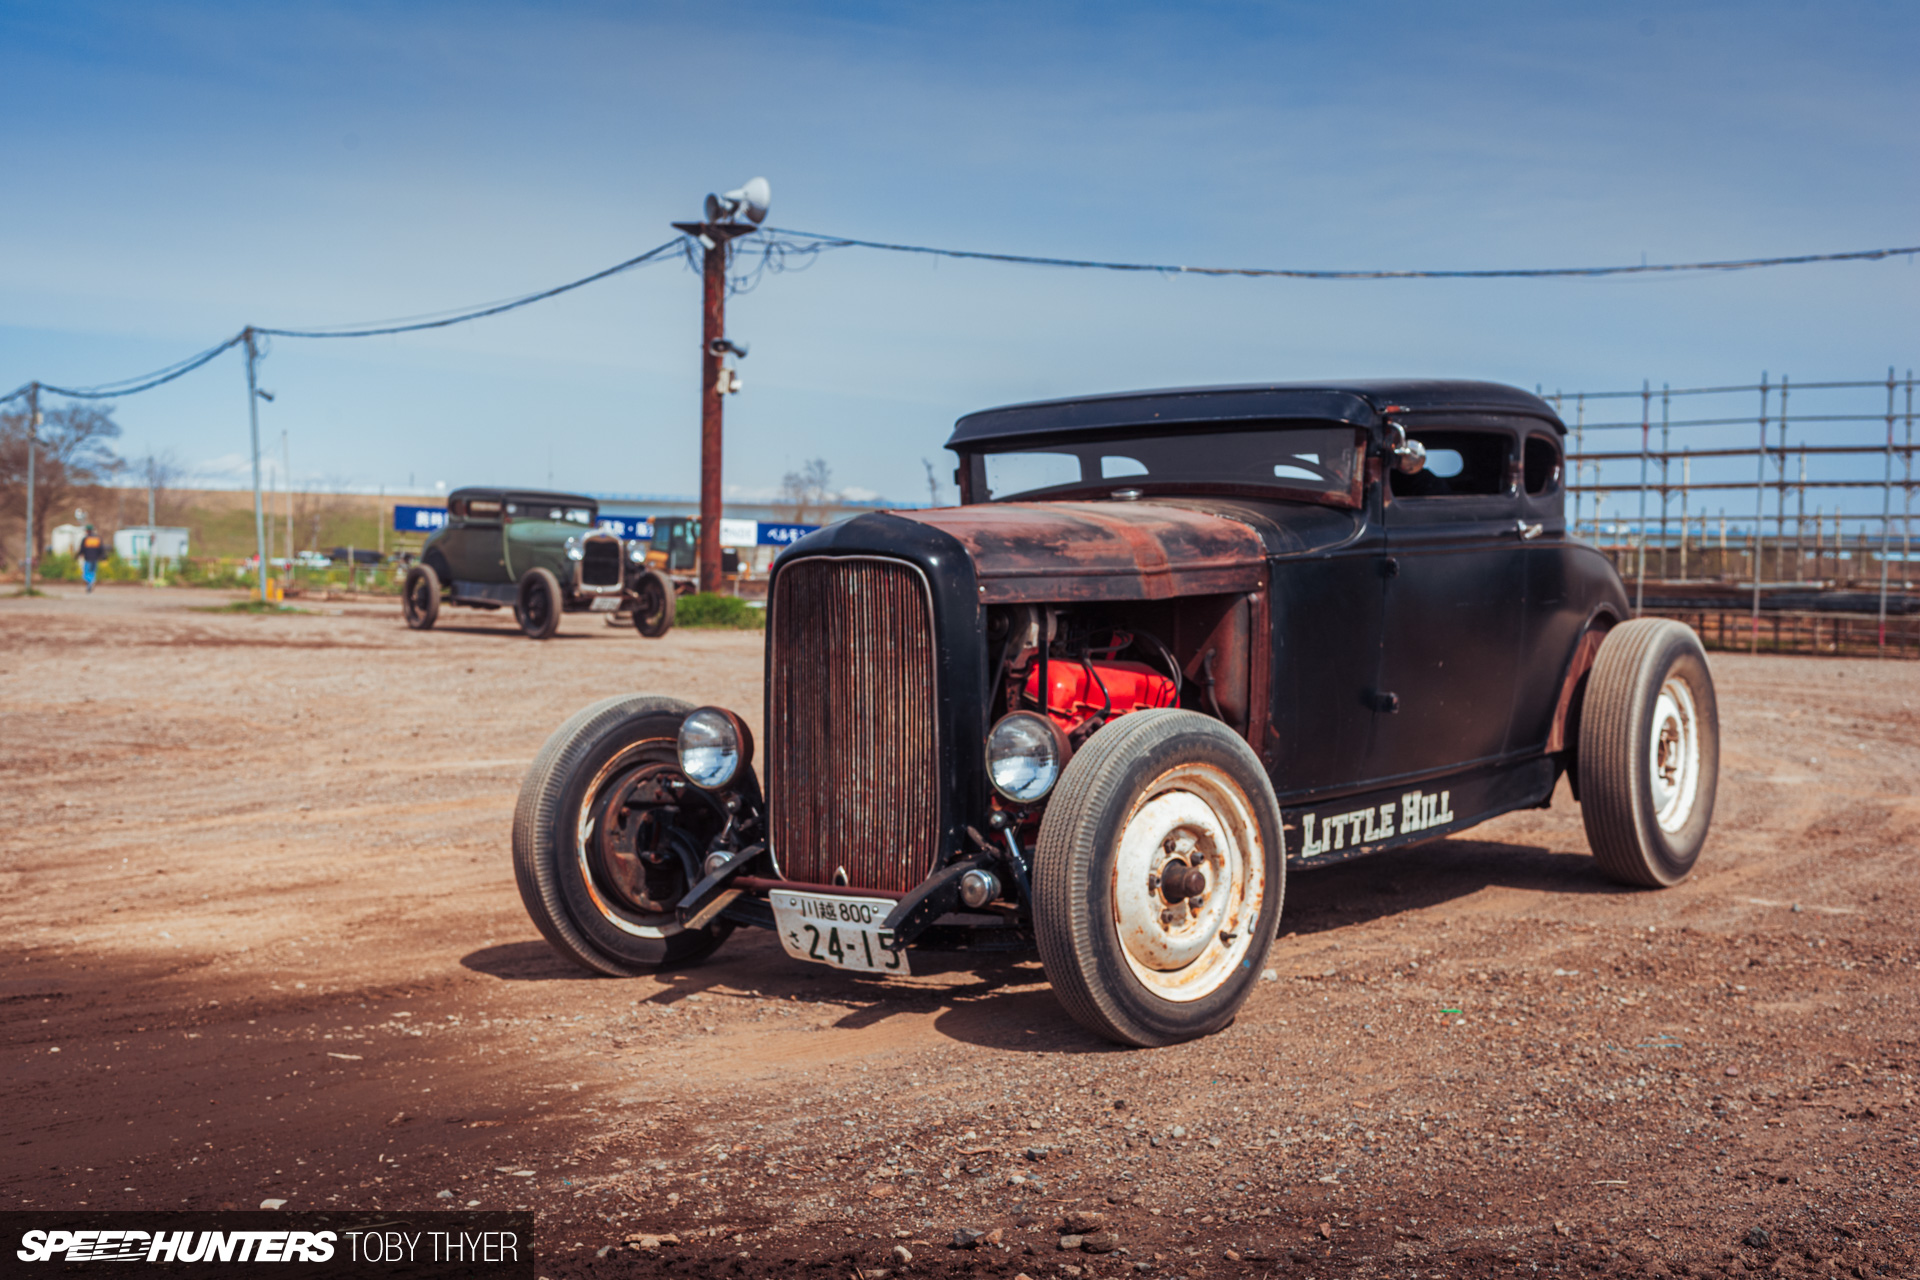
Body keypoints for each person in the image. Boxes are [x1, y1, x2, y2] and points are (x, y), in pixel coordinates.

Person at [78, 525, 107, 593]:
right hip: (95, 559)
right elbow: (101, 549)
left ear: (87, 531)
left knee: (86, 571)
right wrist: (103, 557)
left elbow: (82, 549)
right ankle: (92, 582)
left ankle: (89, 583)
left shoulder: (85, 539)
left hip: (88, 558)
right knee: (93, 572)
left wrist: (78, 555)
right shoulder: (97, 538)